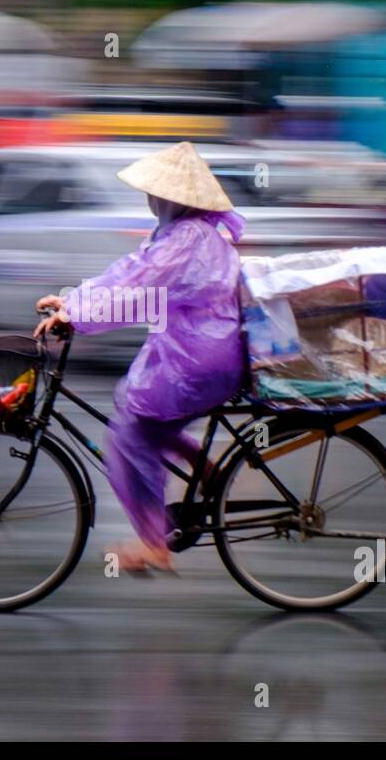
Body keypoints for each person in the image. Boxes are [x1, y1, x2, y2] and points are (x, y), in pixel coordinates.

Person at [34, 142, 246, 573]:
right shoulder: (185, 234)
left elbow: (138, 289)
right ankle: (202, 465)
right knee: (131, 402)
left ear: (171, 197)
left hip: (199, 357)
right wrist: (75, 300)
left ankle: (155, 545)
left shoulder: (187, 239)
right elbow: (127, 272)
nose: (149, 200)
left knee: (130, 433)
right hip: (196, 350)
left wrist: (75, 315)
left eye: (155, 192)